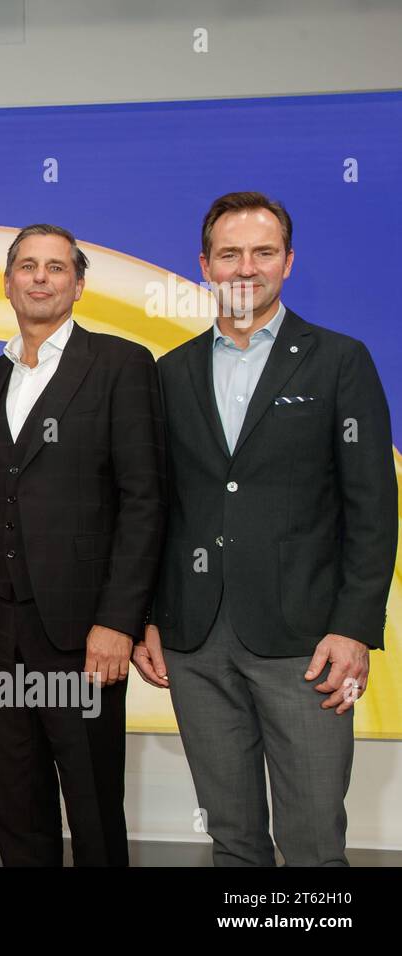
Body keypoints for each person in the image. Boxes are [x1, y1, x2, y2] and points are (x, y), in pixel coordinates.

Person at [135, 192, 395, 866]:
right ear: (204, 265)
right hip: (195, 641)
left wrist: (355, 626)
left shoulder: (340, 361)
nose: (245, 267)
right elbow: (158, 509)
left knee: (311, 839)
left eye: (262, 252)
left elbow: (373, 506)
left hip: (308, 641)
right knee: (232, 838)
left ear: (288, 261)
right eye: (229, 254)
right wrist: (150, 617)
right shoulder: (170, 374)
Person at [0, 224, 166, 867]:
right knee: (17, 803)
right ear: (8, 282)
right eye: (27, 265)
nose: (40, 277)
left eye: (55, 267)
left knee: (94, 803)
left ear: (78, 283)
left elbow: (145, 500)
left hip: (84, 631)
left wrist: (118, 621)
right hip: (2, 622)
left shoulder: (122, 365)